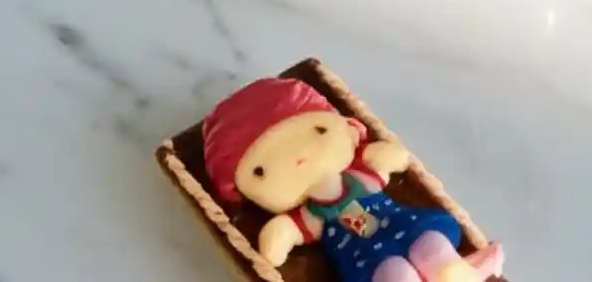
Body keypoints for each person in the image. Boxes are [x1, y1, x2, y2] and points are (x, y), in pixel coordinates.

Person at [202, 78, 504, 282]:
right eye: (260, 171)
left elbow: (391, 160)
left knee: (430, 244)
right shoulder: (310, 214)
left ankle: (458, 274)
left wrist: (384, 156)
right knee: (395, 273)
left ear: (345, 127)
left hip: (398, 223)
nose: (298, 158)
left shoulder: (359, 175)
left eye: (319, 131)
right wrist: (279, 237)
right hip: (363, 250)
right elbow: (286, 233)